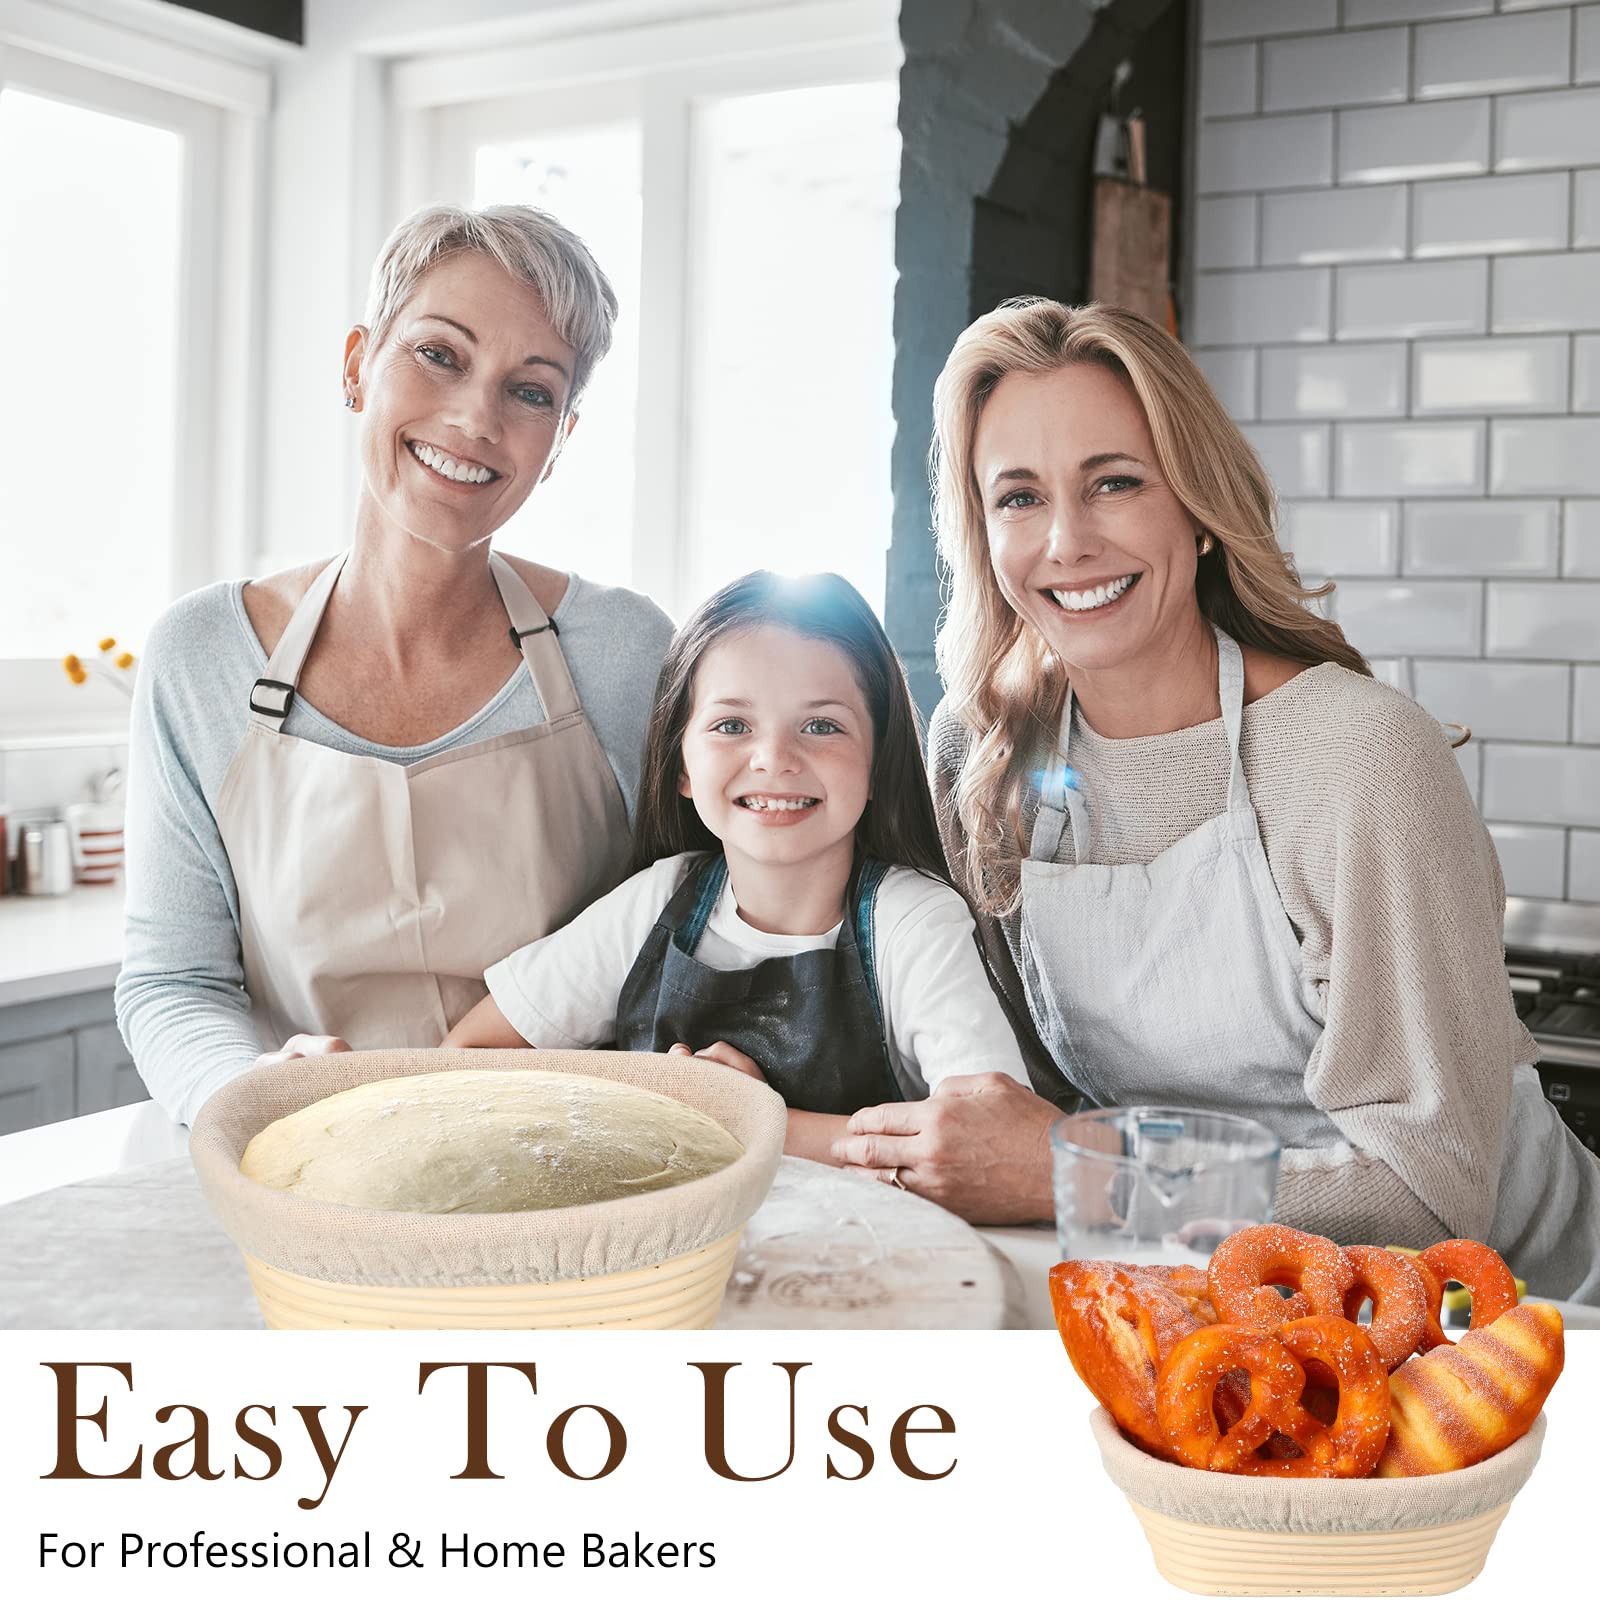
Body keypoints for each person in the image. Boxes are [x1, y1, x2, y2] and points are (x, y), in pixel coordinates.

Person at [832, 297, 1600, 1304]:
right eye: (1018, 497)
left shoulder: (1354, 757)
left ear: (1194, 508)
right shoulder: (979, 754)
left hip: (1504, 1316)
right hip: (1227, 1300)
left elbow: (1428, 1195)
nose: (1066, 541)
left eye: (1113, 482)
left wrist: (1072, 1170)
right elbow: (1021, 1091)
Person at [117, 204, 674, 1127]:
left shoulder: (624, 653)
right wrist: (252, 1093)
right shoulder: (200, 657)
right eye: (438, 354)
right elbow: (174, 980)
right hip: (297, 1163)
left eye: (531, 392)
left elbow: (685, 938)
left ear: (561, 439)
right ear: (355, 366)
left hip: (570, 1165)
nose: (473, 419)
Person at [444, 570, 1030, 1160]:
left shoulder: (913, 922)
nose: (774, 759)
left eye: (821, 725)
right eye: (732, 726)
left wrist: (749, 1119)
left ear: (879, 763)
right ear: (682, 765)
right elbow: (468, 1054)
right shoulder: (654, 904)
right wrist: (644, 1102)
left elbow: (984, 1141)